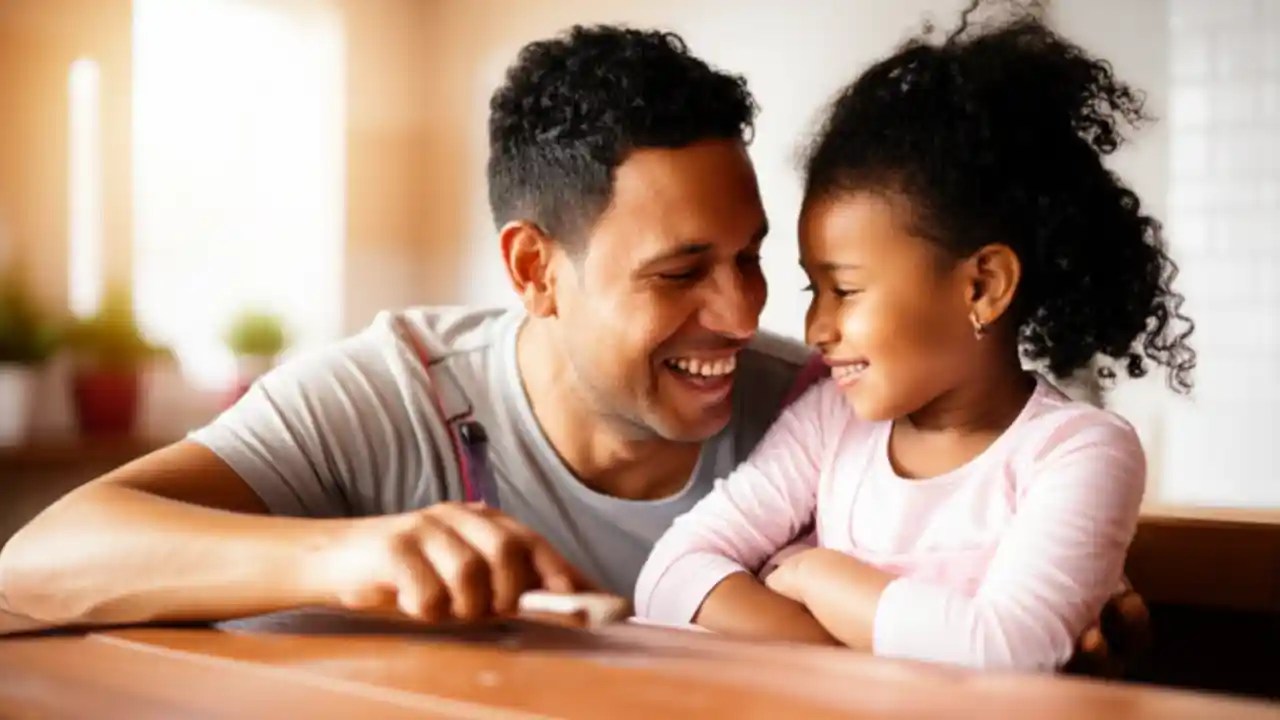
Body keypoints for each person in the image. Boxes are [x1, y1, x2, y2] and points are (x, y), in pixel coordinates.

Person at [0, 24, 1143, 669]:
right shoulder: (391, 390)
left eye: (752, 258)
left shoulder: (825, 400)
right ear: (533, 269)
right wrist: (341, 557)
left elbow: (977, 564)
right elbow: (34, 568)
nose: (746, 316)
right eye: (679, 273)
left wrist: (1013, 606)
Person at [634, 9, 1194, 672]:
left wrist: (815, 575)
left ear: (982, 286)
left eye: (844, 290)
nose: (817, 327)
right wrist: (847, 657)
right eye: (813, 291)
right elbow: (670, 574)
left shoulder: (1077, 453)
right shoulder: (829, 424)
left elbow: (1007, 651)